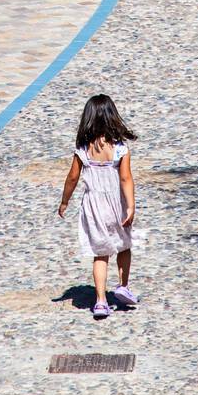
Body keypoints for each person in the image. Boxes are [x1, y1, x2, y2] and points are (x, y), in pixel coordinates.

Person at [58, 93, 138, 319]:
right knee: (124, 246)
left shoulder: (83, 149)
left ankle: (101, 301)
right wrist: (131, 206)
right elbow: (126, 179)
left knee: (100, 255)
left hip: (93, 205)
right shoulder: (120, 149)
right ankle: (123, 286)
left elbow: (72, 178)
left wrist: (65, 201)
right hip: (117, 204)